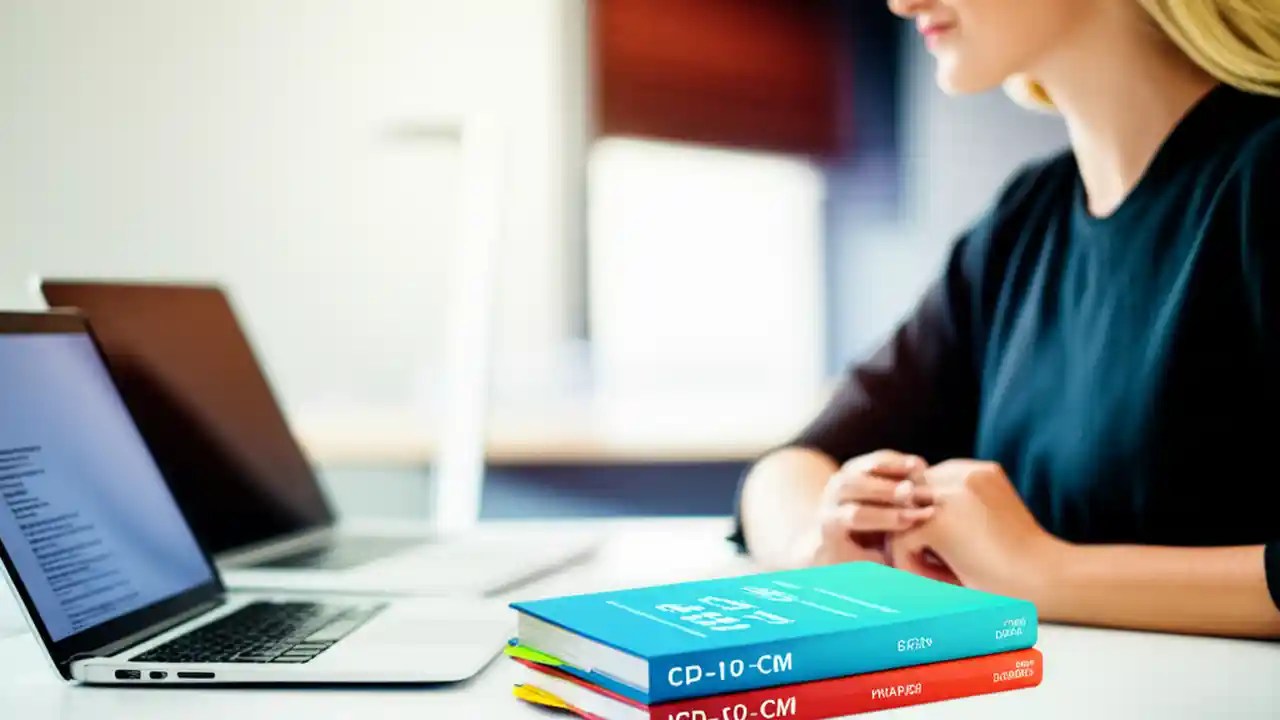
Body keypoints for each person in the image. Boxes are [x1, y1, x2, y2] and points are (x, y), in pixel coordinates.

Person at [731, 0, 1280, 639]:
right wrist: (818, 544)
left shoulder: (1266, 176)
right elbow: (790, 466)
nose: (900, 3)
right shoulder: (1025, 219)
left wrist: (1047, 573)